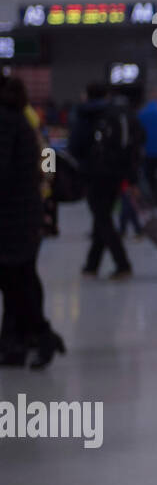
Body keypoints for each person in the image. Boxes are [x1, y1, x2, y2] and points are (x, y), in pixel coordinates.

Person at [0, 76, 64, 368]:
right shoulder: (27, 118)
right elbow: (46, 154)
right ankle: (17, 341)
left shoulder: (10, 121)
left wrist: (47, 190)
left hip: (14, 214)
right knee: (19, 278)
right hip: (28, 208)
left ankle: (38, 336)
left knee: (18, 281)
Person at [67, 82, 142, 280]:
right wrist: (131, 177)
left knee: (102, 219)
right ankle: (91, 265)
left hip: (94, 175)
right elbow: (136, 141)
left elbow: (74, 146)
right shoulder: (119, 114)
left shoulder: (85, 115)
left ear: (87, 95)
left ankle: (122, 264)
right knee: (102, 216)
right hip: (116, 174)